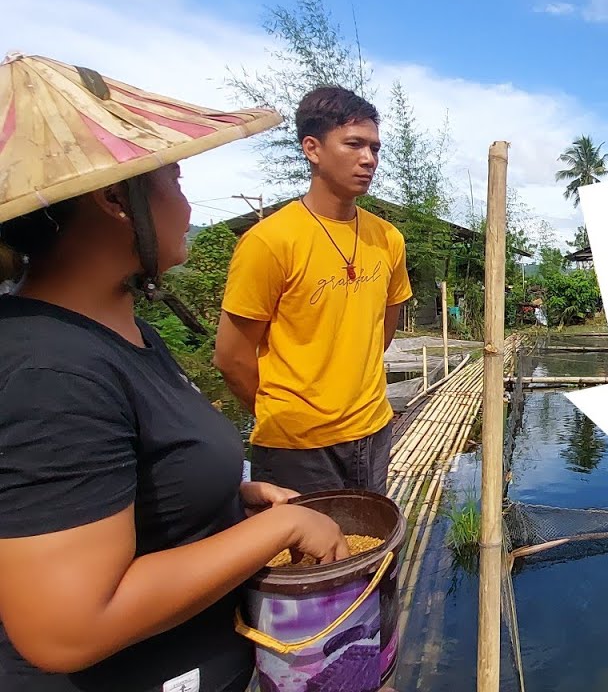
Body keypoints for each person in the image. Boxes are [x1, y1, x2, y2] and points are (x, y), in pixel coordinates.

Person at [0, 52, 351, 692]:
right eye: (177, 182)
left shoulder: (123, 332)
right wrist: (283, 526)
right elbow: (67, 630)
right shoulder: (48, 371)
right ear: (116, 198)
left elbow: (126, 491)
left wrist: (231, 496)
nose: (187, 207)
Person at [214, 85, 413, 497]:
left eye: (375, 148)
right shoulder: (271, 241)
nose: (369, 159)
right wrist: (288, 416)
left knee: (371, 534)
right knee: (306, 540)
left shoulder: (387, 239)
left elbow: (382, 330)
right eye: (354, 144)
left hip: (372, 432)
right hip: (296, 448)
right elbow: (232, 357)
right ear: (312, 148)